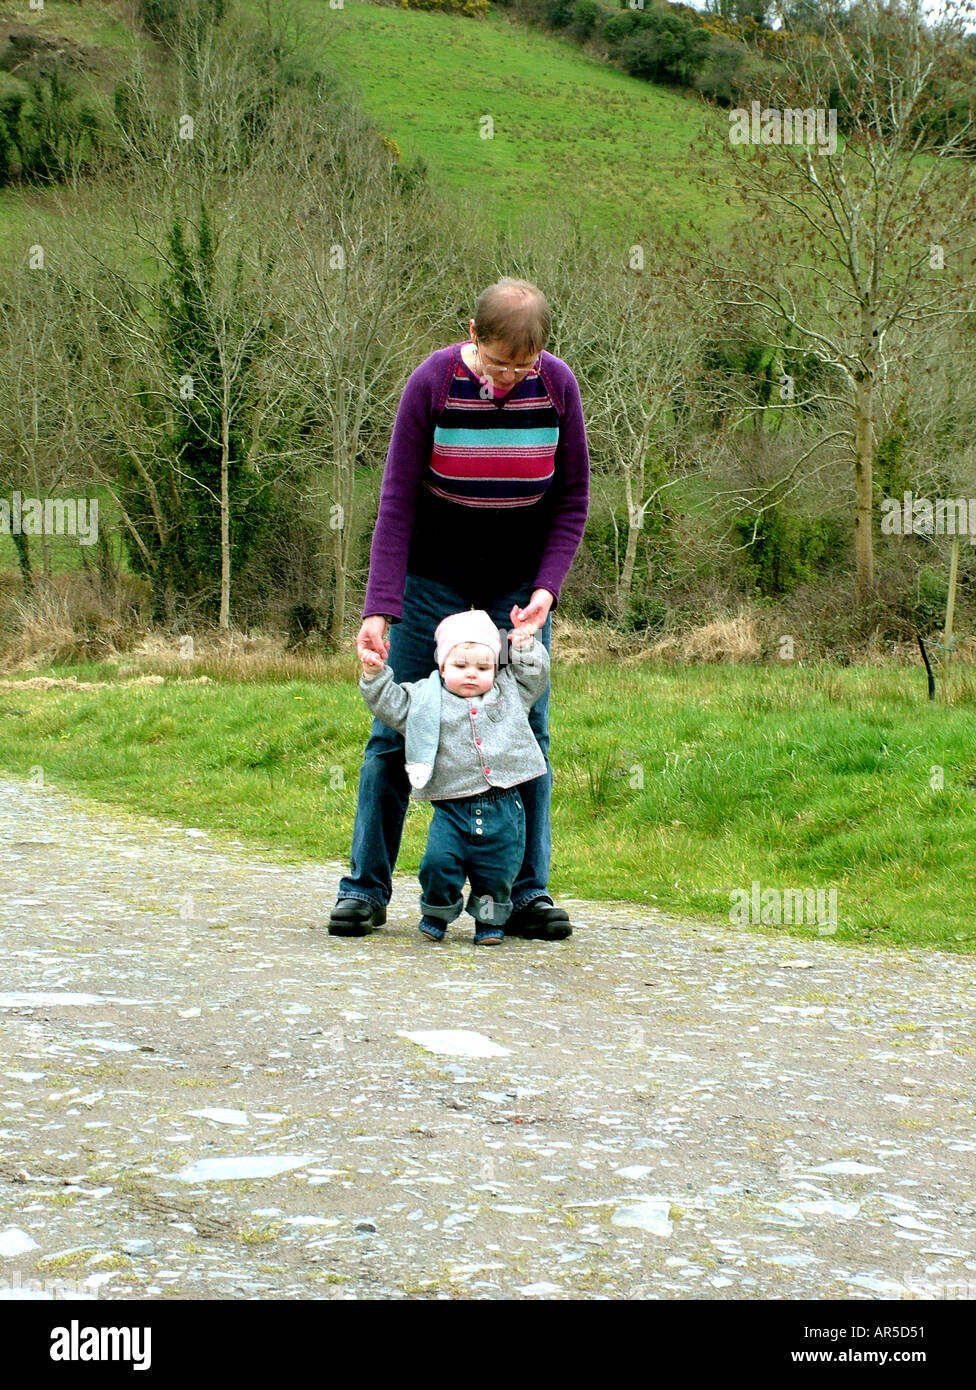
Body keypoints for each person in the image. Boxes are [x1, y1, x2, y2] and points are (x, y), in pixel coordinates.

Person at [329, 277, 589, 940]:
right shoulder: (432, 384)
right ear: (473, 336)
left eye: (523, 367)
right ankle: (364, 887)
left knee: (526, 733)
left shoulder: (557, 389)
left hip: (517, 585)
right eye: (500, 363)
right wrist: (380, 608)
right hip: (431, 575)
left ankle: (526, 893)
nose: (509, 379)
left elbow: (571, 503)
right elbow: (396, 502)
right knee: (396, 731)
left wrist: (545, 589)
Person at [359, 609, 550, 945]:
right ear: (442, 666)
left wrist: (523, 647)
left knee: (497, 874)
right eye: (460, 667)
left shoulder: (509, 695)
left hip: (504, 806)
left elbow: (535, 675)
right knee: (438, 864)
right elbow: (389, 704)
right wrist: (375, 675)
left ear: (495, 668)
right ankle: (437, 912)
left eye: (482, 667)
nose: (472, 675)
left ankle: (489, 924)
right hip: (451, 808)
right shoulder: (424, 699)